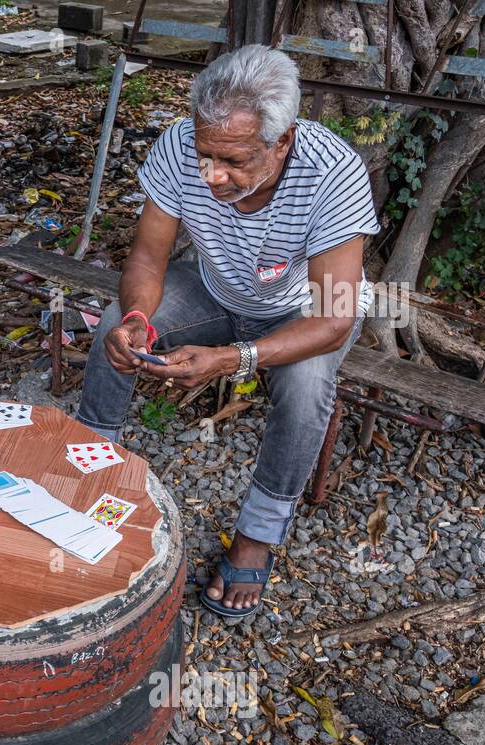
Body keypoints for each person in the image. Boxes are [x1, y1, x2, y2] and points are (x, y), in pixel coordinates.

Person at [76, 45, 379, 619]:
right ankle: (90, 466)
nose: (213, 175)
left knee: (306, 388)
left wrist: (233, 359)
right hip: (218, 293)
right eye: (204, 154)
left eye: (234, 160)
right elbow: (146, 256)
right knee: (116, 328)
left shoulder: (332, 173)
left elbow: (334, 319)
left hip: (303, 316)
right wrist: (138, 319)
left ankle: (257, 536)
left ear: (282, 141)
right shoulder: (176, 146)